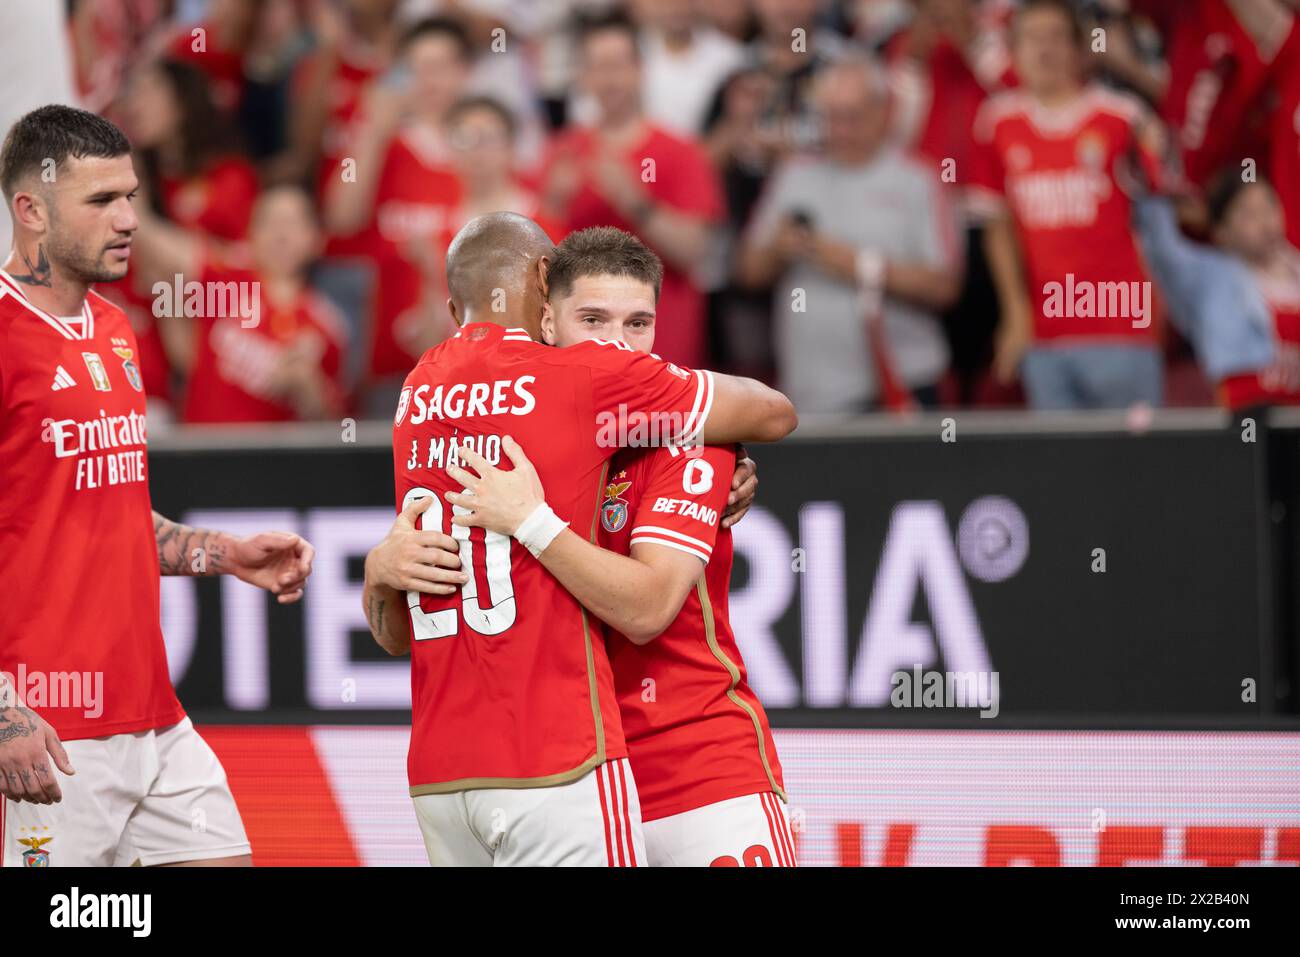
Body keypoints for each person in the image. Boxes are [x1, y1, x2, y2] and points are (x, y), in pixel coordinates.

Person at [361, 211, 797, 866]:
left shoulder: (686, 434)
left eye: (638, 324)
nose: (616, 345)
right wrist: (378, 570)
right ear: (545, 315)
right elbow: (404, 628)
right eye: (593, 321)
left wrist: (534, 522)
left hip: (699, 772)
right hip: (588, 772)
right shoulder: (543, 417)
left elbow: (650, 608)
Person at [0, 105, 314, 866]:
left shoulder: (116, 328)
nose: (130, 219)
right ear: (31, 209)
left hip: (154, 715)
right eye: (102, 200)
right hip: (50, 731)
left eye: (132, 195)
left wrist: (223, 553)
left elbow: (107, 512)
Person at [968, 0, 1167, 410]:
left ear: (1079, 49)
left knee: (1135, 467)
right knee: (1062, 468)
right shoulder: (996, 123)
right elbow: (996, 225)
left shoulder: (1123, 118)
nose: (1045, 50)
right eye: (1032, 39)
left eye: (1057, 37)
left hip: (1121, 325)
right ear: (1013, 51)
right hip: (1045, 335)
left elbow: (1162, 211)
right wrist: (1016, 313)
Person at [738, 57, 962, 413]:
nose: (839, 130)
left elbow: (945, 286)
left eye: (851, 117)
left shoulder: (919, 180)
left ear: (881, 113)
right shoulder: (794, 175)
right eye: (829, 117)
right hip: (811, 392)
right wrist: (778, 250)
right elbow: (749, 271)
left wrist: (860, 265)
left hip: (902, 385)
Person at [540, 11, 723, 370]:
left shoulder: (680, 151)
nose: (609, 79)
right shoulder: (561, 153)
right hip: (577, 358)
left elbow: (693, 250)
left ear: (641, 69)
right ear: (583, 76)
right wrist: (553, 203)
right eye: (597, 66)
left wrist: (635, 202)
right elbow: (538, 260)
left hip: (664, 352)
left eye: (618, 64)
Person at [130, 182, 349, 424]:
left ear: (316, 239)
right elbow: (151, 240)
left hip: (272, 458)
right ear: (251, 233)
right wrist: (129, 179)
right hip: (202, 448)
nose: (281, 234)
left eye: (292, 223)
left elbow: (333, 423)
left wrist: (307, 384)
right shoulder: (227, 277)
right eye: (269, 222)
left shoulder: (326, 324)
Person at [1136, 174, 1300, 409]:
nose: (1265, 223)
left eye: (1269, 207)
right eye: (1249, 215)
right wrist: (1151, 175)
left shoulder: (1295, 267)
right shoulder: (1212, 279)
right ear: (1221, 231)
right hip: (1250, 418)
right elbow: (1163, 252)